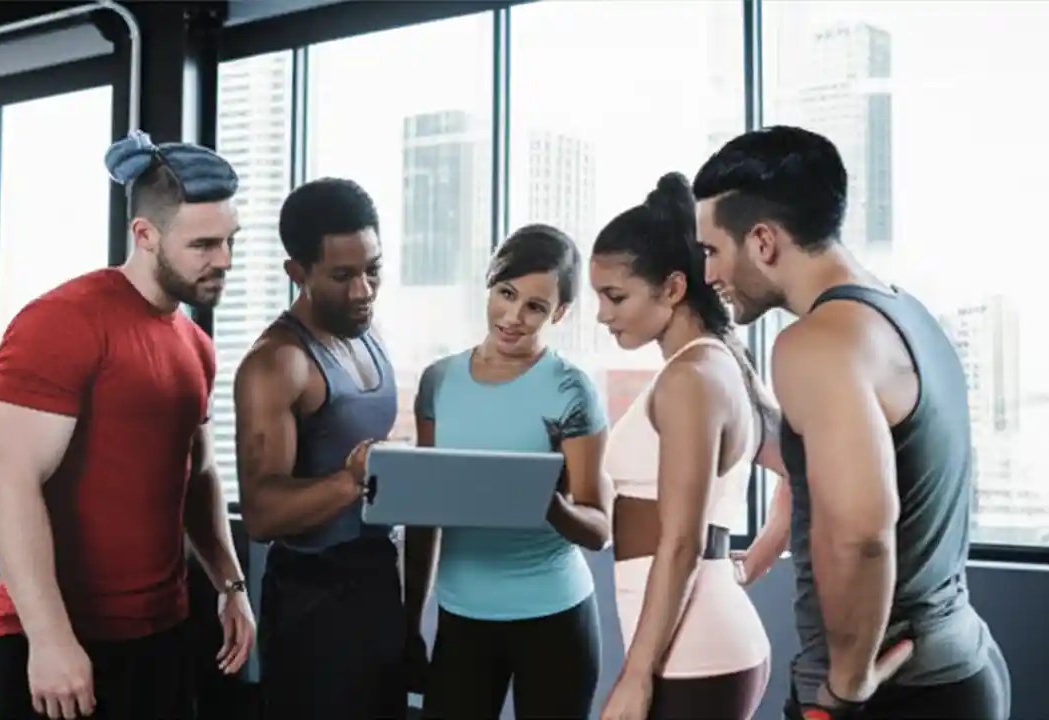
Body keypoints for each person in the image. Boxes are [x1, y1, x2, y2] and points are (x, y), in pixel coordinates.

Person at [692, 125, 1012, 720]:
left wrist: (845, 686)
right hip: (960, 660)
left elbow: (861, 534)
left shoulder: (815, 344)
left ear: (762, 240)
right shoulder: (900, 312)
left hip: (891, 692)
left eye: (711, 250)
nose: (707, 273)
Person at [0, 129, 255, 720]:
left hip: (162, 633)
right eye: (204, 244)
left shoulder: (196, 345)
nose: (224, 260)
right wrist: (52, 640)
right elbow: (8, 485)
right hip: (62, 636)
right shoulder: (62, 322)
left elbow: (200, 474)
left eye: (231, 240)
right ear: (145, 235)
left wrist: (231, 586)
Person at [589, 172, 784, 720]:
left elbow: (681, 543)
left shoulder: (692, 378)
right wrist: (757, 558)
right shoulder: (714, 363)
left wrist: (634, 677)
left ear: (673, 288)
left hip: (695, 655)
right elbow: (803, 465)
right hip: (701, 645)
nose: (602, 313)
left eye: (614, 296)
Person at [404, 224, 613, 720]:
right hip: (461, 619)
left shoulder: (571, 391)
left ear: (559, 313)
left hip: (555, 619)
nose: (513, 317)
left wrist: (549, 505)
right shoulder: (438, 382)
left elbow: (600, 529)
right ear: (491, 286)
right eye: (506, 294)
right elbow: (424, 515)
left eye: (535, 307)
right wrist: (410, 621)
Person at [233, 178, 403, 720]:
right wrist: (352, 481)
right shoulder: (278, 363)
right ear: (298, 273)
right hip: (313, 596)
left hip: (378, 577)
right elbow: (261, 513)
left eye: (372, 269)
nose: (364, 291)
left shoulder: (367, 334)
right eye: (342, 276)